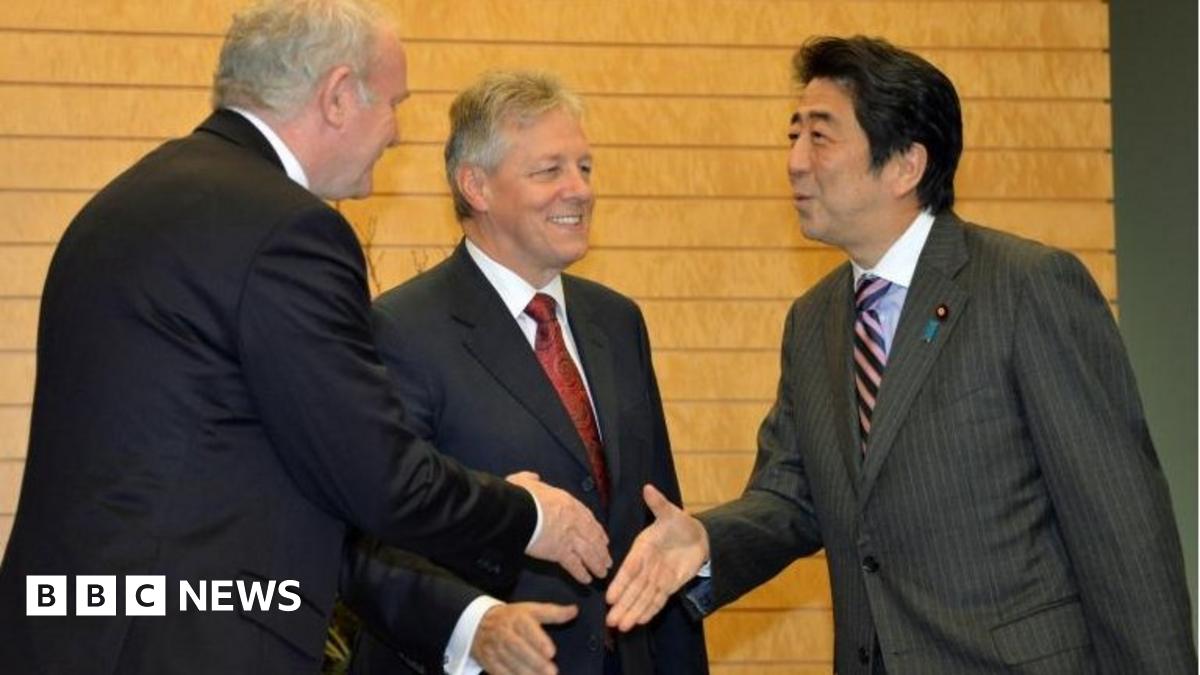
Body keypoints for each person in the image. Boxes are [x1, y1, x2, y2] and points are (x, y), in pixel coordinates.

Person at [0, 2, 611, 673]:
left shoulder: (124, 203)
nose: (396, 134)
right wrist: (526, 513)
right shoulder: (287, 230)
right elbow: (375, 473)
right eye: (393, 103)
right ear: (340, 95)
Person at [605, 35, 1196, 673]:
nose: (796, 162)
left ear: (905, 165)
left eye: (821, 137)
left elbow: (1121, 529)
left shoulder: (1025, 286)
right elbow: (790, 495)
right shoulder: (814, 319)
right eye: (793, 135)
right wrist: (707, 541)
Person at [343, 71, 708, 675]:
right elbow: (369, 542)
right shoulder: (398, 329)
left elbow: (659, 524)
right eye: (550, 171)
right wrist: (476, 622)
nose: (580, 190)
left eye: (585, 168)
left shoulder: (617, 322)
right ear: (476, 186)